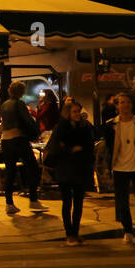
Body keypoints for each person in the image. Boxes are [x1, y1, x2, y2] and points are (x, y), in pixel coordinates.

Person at [102, 92, 135, 245]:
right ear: (116, 106)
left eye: (128, 102)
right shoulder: (111, 125)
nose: (126, 105)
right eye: (122, 102)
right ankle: (128, 231)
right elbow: (108, 148)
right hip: (119, 167)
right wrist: (107, 165)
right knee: (123, 203)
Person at [45, 98, 95, 245]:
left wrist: (74, 148)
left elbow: (89, 145)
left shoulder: (84, 127)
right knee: (67, 202)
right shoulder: (61, 127)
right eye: (74, 111)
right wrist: (70, 149)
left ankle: (76, 231)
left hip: (80, 168)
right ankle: (69, 234)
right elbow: (55, 147)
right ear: (68, 113)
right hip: (65, 168)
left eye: (79, 111)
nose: (77, 114)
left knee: (78, 202)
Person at [0, 81, 43, 215]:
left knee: (10, 171)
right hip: (18, 138)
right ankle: (33, 199)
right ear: (21, 92)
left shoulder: (4, 104)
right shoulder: (19, 103)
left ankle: (9, 203)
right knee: (32, 167)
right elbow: (27, 120)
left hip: (5, 140)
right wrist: (36, 132)